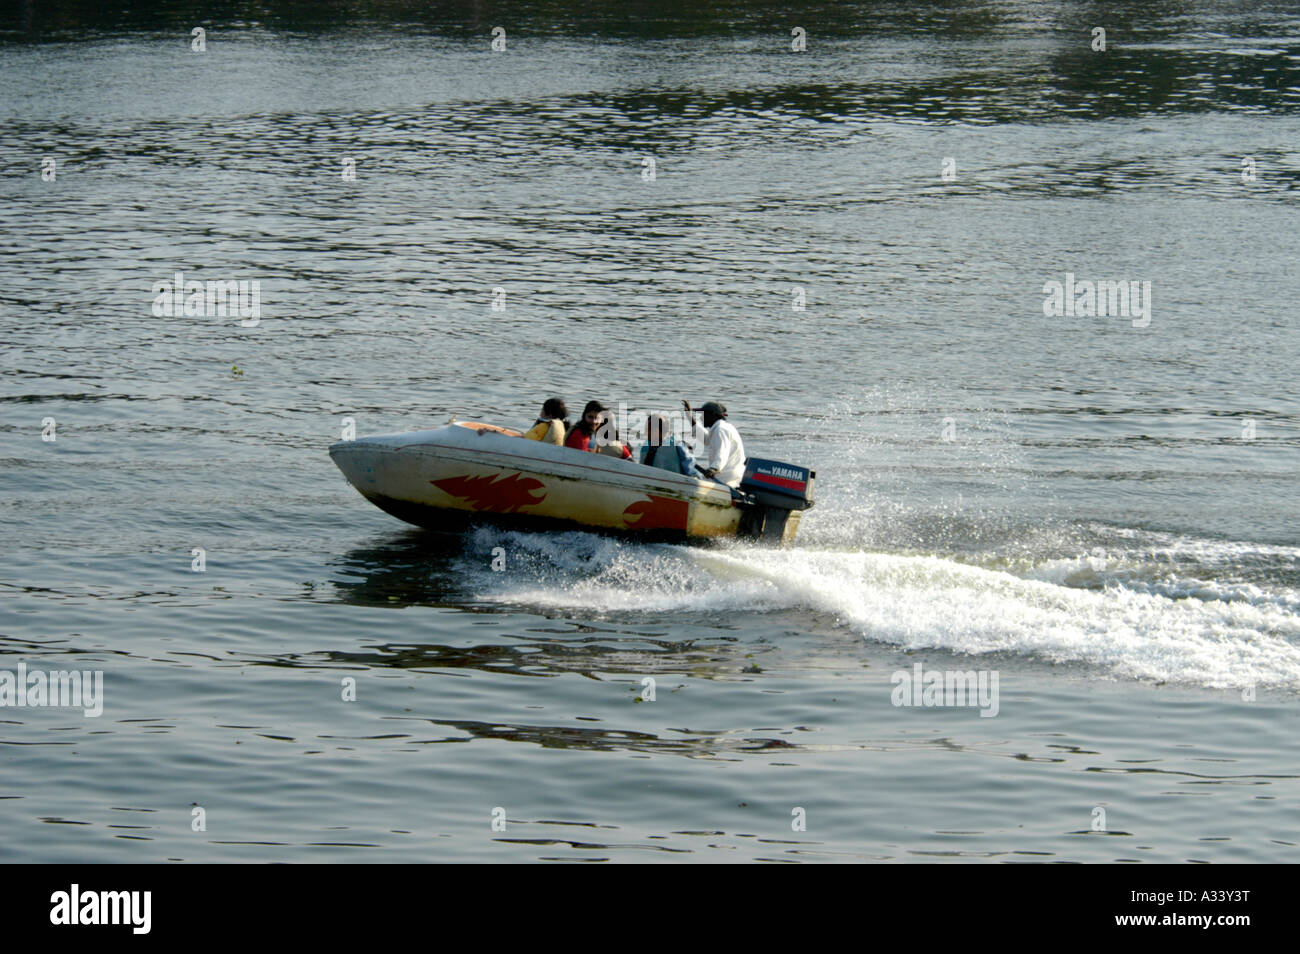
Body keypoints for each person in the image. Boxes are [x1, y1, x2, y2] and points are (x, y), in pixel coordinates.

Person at [682, 399, 745, 487]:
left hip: (727, 479)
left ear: (713, 415)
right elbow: (706, 439)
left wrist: (714, 468)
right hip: (726, 476)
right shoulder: (720, 428)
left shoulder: (721, 430)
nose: (701, 418)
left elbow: (722, 451)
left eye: (704, 415)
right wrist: (689, 417)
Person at [565, 400, 632, 459]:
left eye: (597, 418)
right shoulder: (579, 434)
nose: (594, 421)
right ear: (584, 416)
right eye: (590, 417)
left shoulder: (591, 433)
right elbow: (581, 459)